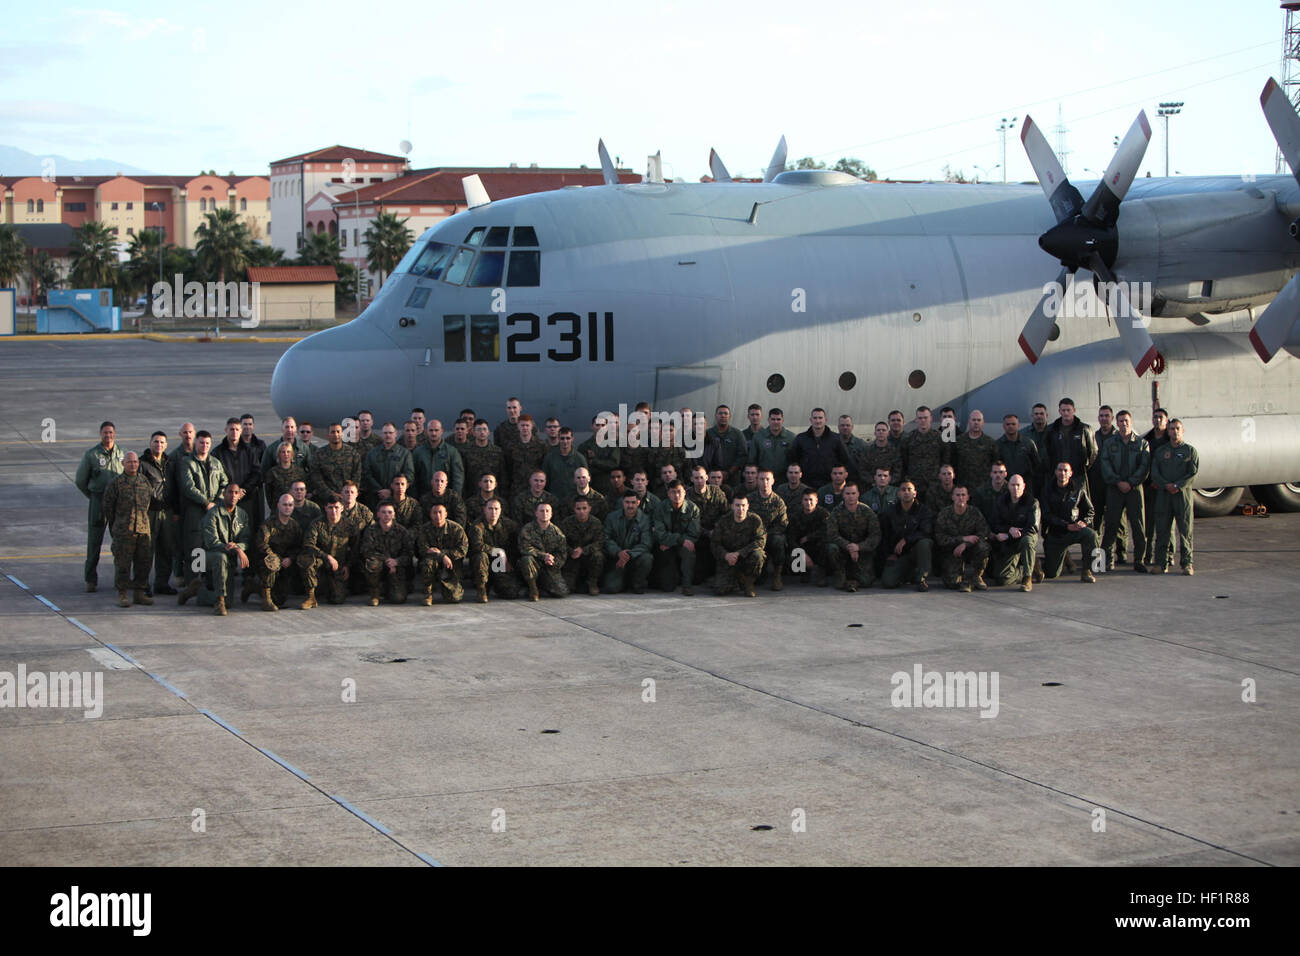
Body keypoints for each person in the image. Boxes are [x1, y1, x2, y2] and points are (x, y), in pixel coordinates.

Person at [179, 482, 250, 615]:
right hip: (203, 556)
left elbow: (245, 540)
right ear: (224, 494)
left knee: (230, 603)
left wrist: (239, 547)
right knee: (220, 557)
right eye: (230, 492)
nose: (233, 496)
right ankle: (219, 601)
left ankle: (198, 591)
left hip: (228, 557)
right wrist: (236, 550)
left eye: (236, 493)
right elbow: (212, 543)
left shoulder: (242, 515)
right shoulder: (213, 513)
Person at [75, 420, 125, 591]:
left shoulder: (122, 454)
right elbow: (80, 480)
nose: (108, 435)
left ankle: (121, 579)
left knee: (119, 542)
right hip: (98, 501)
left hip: (117, 504)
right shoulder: (92, 455)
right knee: (94, 543)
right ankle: (90, 580)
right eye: (105, 432)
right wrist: (93, 496)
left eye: (111, 432)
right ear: (100, 434)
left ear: (115, 434)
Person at [1098, 409, 1149, 573]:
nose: (1123, 423)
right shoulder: (1109, 443)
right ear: (1116, 423)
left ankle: (1139, 560)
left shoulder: (1142, 444)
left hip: (1134, 490)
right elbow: (1105, 465)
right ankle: (1107, 561)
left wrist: (1131, 482)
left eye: (1126, 420)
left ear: (1131, 422)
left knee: (1138, 526)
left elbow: (1144, 467)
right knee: (1111, 525)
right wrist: (1118, 481)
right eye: (1120, 421)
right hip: (1115, 489)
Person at [102, 451, 154, 607]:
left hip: (143, 530)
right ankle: (122, 593)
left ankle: (139, 593)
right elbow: (108, 506)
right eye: (130, 462)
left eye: (136, 462)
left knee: (143, 563)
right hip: (124, 531)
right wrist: (118, 524)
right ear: (123, 464)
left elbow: (148, 504)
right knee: (123, 563)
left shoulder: (144, 482)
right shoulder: (116, 483)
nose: (133, 465)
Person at [1151, 418, 1199, 575]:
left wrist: (1177, 485)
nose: (1175, 431)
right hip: (1164, 495)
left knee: (1185, 530)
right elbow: (1155, 472)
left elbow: (1192, 474)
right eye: (1171, 429)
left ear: (1183, 431)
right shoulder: (1161, 452)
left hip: (1182, 495)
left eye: (1178, 428)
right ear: (1168, 431)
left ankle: (1187, 563)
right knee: (1163, 530)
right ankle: (1160, 563)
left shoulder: (1190, 451)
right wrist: (1166, 485)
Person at [180, 431, 228, 585]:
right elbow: (189, 487)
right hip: (196, 510)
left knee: (211, 544)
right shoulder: (187, 462)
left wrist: (218, 500)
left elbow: (224, 482)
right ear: (196, 443)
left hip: (213, 510)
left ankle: (209, 582)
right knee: (196, 548)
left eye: (207, 443)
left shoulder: (215, 462)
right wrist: (206, 502)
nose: (205, 446)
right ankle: (194, 583)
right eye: (201, 442)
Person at [1041, 462, 1097, 583]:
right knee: (1051, 574)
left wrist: (1084, 522)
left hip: (1075, 530)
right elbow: (1046, 515)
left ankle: (1087, 570)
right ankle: (1049, 560)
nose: (1062, 473)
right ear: (1055, 472)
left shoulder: (1078, 490)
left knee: (1090, 535)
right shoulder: (1047, 490)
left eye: (1066, 471)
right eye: (1060, 470)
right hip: (1056, 533)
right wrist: (1066, 526)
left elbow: (1090, 510)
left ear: (1071, 473)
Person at [298, 494, 355, 608]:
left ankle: (328, 587)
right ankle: (311, 597)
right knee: (306, 560)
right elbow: (308, 545)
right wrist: (327, 556)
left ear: (342, 508)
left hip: (338, 566)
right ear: (325, 508)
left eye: (336, 507)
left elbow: (355, 548)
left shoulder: (350, 525)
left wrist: (348, 565)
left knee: (337, 599)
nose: (333, 511)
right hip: (321, 563)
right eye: (330, 508)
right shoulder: (317, 524)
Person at [139, 430, 176, 595]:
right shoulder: (142, 464)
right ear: (150, 443)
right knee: (147, 549)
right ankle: (143, 584)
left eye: (162, 442)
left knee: (166, 549)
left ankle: (162, 583)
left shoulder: (169, 463)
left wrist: (176, 510)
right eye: (156, 442)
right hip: (150, 513)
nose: (159, 445)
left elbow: (175, 487)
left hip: (167, 512)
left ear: (166, 445)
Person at [935, 485, 991, 592]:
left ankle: (976, 576)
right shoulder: (945, 513)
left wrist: (966, 544)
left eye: (963, 495)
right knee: (952, 582)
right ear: (952, 497)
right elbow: (940, 538)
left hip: (971, 549)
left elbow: (984, 532)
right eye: (957, 495)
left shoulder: (974, 512)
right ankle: (966, 581)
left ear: (968, 497)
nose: (960, 498)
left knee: (983, 546)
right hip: (952, 551)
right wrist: (962, 539)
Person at [880, 481, 933, 591]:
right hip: (899, 554)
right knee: (888, 582)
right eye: (903, 490)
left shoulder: (923, 511)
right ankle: (909, 574)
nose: (906, 492)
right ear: (898, 493)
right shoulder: (890, 512)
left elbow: (926, 531)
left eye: (909, 489)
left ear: (915, 493)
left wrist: (906, 540)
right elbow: (884, 535)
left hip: (916, 552)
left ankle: (921, 579)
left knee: (925, 542)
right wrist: (889, 554)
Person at [989, 473, 1040, 591]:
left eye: (1018, 485)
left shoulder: (1032, 502)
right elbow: (995, 523)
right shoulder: (1001, 501)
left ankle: (1027, 578)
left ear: (1024, 486)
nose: (1015, 488)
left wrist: (1014, 533)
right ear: (1008, 486)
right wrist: (1008, 531)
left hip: (1024, 537)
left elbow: (1033, 527)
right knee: (1002, 579)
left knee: (1028, 540)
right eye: (1012, 485)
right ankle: (1030, 569)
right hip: (1009, 540)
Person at [254, 493, 303, 611]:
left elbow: (299, 546)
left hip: (285, 564)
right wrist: (279, 559)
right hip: (266, 562)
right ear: (278, 506)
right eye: (285, 504)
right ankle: (266, 600)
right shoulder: (268, 524)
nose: (287, 507)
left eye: (290, 505)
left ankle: (254, 587)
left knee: (280, 599)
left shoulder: (294, 525)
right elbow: (262, 544)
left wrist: (290, 558)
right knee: (273, 562)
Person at [651, 479, 702, 594]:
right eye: (673, 492)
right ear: (668, 493)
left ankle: (687, 585)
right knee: (667, 587)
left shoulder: (692, 509)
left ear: (685, 492)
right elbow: (660, 533)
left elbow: (693, 533)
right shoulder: (660, 508)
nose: (677, 495)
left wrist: (677, 541)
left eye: (679, 491)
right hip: (666, 546)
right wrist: (679, 540)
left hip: (681, 545)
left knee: (688, 550)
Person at [711, 495, 766, 597]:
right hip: (729, 560)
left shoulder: (755, 520)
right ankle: (737, 579)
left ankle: (748, 583)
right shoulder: (723, 521)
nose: (740, 509)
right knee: (720, 590)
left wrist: (739, 553)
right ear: (732, 506)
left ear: (748, 506)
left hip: (746, 558)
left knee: (758, 555)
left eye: (743, 505)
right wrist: (726, 555)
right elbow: (715, 543)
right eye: (737, 505)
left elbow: (760, 541)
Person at [828, 483, 880, 591]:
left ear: (858, 494)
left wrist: (859, 547)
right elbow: (832, 535)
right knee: (831, 548)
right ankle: (840, 573)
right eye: (847, 493)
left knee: (866, 582)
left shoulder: (867, 512)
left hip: (862, 552)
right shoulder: (836, 512)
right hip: (842, 551)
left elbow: (875, 536)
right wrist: (848, 546)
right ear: (843, 495)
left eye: (853, 493)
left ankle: (853, 580)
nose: (850, 496)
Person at [470, 498, 522, 602]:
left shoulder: (509, 525)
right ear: (485, 510)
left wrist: (510, 562)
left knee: (511, 593)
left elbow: (516, 546)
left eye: (496, 509)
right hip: (484, 565)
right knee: (481, 556)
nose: (493, 512)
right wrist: (498, 552)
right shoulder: (477, 526)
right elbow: (477, 545)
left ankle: (498, 585)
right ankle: (482, 589)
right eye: (490, 508)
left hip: (501, 565)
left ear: (500, 510)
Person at [415, 502, 468, 604]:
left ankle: (449, 587)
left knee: (454, 598)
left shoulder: (456, 529)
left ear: (446, 514)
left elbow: (462, 550)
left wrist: (442, 554)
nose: (438, 515)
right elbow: (423, 550)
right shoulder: (424, 529)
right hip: (432, 563)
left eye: (440, 512)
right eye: (434, 513)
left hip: (451, 565)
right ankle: (428, 593)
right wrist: (442, 556)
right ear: (430, 514)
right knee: (427, 563)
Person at [361, 503, 413, 605]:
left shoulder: (402, 531)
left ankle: (388, 589)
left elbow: (409, 553)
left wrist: (396, 561)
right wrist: (387, 560)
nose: (386, 515)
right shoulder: (371, 530)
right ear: (378, 514)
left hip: (396, 567)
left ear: (394, 515)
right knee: (372, 564)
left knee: (398, 599)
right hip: (379, 564)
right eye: (383, 512)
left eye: (389, 512)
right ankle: (374, 594)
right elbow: (366, 551)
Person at [603, 492, 654, 594]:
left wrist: (629, 555)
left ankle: (637, 583)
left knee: (647, 558)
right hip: (617, 559)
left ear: (638, 503)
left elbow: (646, 543)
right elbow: (606, 539)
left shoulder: (645, 519)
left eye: (633, 502)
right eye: (627, 502)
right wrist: (618, 552)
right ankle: (622, 581)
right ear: (622, 502)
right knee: (611, 588)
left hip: (635, 558)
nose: (630, 505)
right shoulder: (611, 517)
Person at [517, 502, 569, 600]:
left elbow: (562, 554)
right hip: (533, 564)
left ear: (551, 514)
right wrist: (543, 556)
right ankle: (533, 590)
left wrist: (552, 562)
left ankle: (540, 588)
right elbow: (524, 548)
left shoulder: (558, 533)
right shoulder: (528, 529)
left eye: (547, 511)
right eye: (541, 511)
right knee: (526, 559)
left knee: (561, 592)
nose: (544, 513)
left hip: (549, 567)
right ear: (536, 513)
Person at [1142, 408, 1173, 568]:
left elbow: (1172, 466)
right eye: (1155, 417)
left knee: (1167, 524)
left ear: (1166, 420)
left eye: (1161, 417)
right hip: (1150, 487)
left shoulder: (1171, 440)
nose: (1158, 420)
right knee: (1149, 524)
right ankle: (1147, 555)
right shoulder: (1146, 440)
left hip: (1166, 487)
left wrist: (1162, 482)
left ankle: (1169, 554)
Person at [1044, 398, 1097, 491]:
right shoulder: (1051, 430)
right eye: (1063, 410)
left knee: (1079, 502)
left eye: (1068, 410)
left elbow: (1093, 451)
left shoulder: (1084, 429)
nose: (1066, 413)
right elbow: (1046, 451)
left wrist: (1084, 467)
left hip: (1078, 475)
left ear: (1074, 410)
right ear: (1059, 411)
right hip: (1058, 476)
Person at [747, 469, 788, 590]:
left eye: (767, 479)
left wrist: (765, 535)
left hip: (771, 537)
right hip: (753, 537)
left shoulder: (778, 502)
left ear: (773, 481)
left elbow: (782, 524)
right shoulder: (750, 499)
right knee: (759, 580)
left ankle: (777, 575)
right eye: (761, 479)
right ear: (757, 481)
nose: (765, 482)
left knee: (779, 541)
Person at [791, 408, 849, 488]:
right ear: (811, 420)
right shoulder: (801, 439)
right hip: (806, 484)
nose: (818, 421)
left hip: (829, 484)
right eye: (815, 418)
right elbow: (793, 460)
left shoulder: (836, 439)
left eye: (820, 418)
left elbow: (845, 460)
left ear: (825, 420)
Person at [560, 497, 606, 595]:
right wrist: (571, 551)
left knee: (598, 556)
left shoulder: (596, 523)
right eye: (578, 509)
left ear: (590, 508)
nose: (581, 511)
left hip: (589, 558)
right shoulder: (567, 523)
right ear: (574, 509)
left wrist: (584, 550)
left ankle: (593, 583)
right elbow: (561, 542)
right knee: (566, 589)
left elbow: (600, 542)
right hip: (572, 559)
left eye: (584, 508)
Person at [363, 422, 414, 510]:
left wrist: (392, 491)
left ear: (396, 434)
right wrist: (379, 490)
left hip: (398, 499)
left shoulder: (405, 454)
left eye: (390, 433)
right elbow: (367, 474)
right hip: (376, 498)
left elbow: (409, 475)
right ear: (382, 434)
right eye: (385, 433)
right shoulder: (372, 453)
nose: (388, 435)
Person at [413, 419, 465, 497]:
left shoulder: (452, 452)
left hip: (446, 497)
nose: (433, 433)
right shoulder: (418, 452)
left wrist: (455, 498)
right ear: (426, 431)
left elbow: (458, 478)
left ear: (442, 431)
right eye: (431, 430)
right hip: (424, 497)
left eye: (436, 430)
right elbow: (413, 478)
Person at [311, 422, 360, 502]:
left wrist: (348, 493)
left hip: (348, 498)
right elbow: (316, 476)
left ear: (342, 434)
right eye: (332, 432)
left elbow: (357, 475)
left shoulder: (352, 453)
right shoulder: (319, 454)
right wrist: (330, 493)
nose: (336, 434)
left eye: (338, 432)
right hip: (327, 499)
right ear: (328, 435)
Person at [703, 405, 749, 488]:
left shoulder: (737, 434)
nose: (723, 416)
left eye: (725, 413)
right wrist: (712, 473)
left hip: (732, 478)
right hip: (712, 478)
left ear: (729, 416)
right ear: (716, 416)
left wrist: (729, 472)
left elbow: (743, 455)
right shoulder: (708, 434)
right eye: (720, 413)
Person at [952, 410, 998, 491]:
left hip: (983, 489)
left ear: (983, 422)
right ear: (969, 422)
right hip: (963, 488)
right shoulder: (959, 442)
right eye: (973, 420)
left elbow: (995, 465)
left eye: (979, 420)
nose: (976, 422)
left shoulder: (990, 443)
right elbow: (953, 464)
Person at [578, 414, 621, 496]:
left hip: (609, 486)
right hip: (591, 486)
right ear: (592, 426)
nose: (600, 428)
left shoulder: (612, 445)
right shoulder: (584, 446)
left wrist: (594, 461)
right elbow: (584, 467)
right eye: (597, 425)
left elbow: (614, 464)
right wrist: (604, 465)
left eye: (603, 425)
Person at [901, 405, 943, 490]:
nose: (923, 420)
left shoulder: (939, 438)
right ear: (916, 419)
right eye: (920, 418)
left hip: (934, 483)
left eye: (925, 417)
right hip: (915, 483)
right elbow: (904, 460)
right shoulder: (909, 439)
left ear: (931, 418)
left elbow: (945, 459)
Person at [542, 426, 588, 503]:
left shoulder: (579, 458)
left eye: (568, 438)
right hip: (554, 499)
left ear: (572, 439)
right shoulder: (550, 458)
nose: (565, 441)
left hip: (574, 500)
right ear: (558, 439)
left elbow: (586, 480)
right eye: (562, 438)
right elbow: (545, 480)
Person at [996, 413, 1042, 489]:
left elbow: (1037, 466)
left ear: (1018, 425)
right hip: (1005, 486)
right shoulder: (998, 445)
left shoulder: (1028, 443)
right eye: (1008, 424)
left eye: (1013, 424)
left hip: (1026, 485)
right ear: (1003, 426)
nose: (1010, 426)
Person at [462, 419, 506, 495]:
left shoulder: (497, 451)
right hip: (473, 495)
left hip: (493, 495)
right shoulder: (466, 451)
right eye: (479, 429)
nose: (482, 432)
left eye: (484, 429)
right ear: (473, 432)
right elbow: (463, 476)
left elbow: (503, 475)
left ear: (488, 432)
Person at [749, 408, 796, 477]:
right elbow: (752, 460)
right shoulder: (758, 437)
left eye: (778, 419)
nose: (776, 422)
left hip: (784, 479)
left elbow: (795, 461)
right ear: (768, 420)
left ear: (782, 420)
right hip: (764, 479)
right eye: (773, 419)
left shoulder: (791, 437)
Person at [263, 441, 307, 515]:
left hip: (295, 509)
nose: (286, 454)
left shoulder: (299, 471)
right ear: (279, 454)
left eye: (288, 452)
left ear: (292, 454)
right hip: (278, 509)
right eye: (283, 452)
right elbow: (268, 493)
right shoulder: (272, 472)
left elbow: (303, 490)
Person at [856, 422, 902, 489]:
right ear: (875, 433)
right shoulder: (867, 451)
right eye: (878, 430)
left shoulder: (894, 451)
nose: (881, 432)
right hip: (871, 487)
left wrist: (887, 482)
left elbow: (898, 471)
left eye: (883, 430)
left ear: (888, 433)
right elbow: (862, 470)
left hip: (890, 488)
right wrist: (874, 482)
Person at [838, 414, 871, 483]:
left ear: (852, 427)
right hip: (838, 482)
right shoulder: (832, 443)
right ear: (838, 427)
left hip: (857, 482)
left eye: (848, 425)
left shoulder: (861, 445)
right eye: (842, 425)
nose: (845, 427)